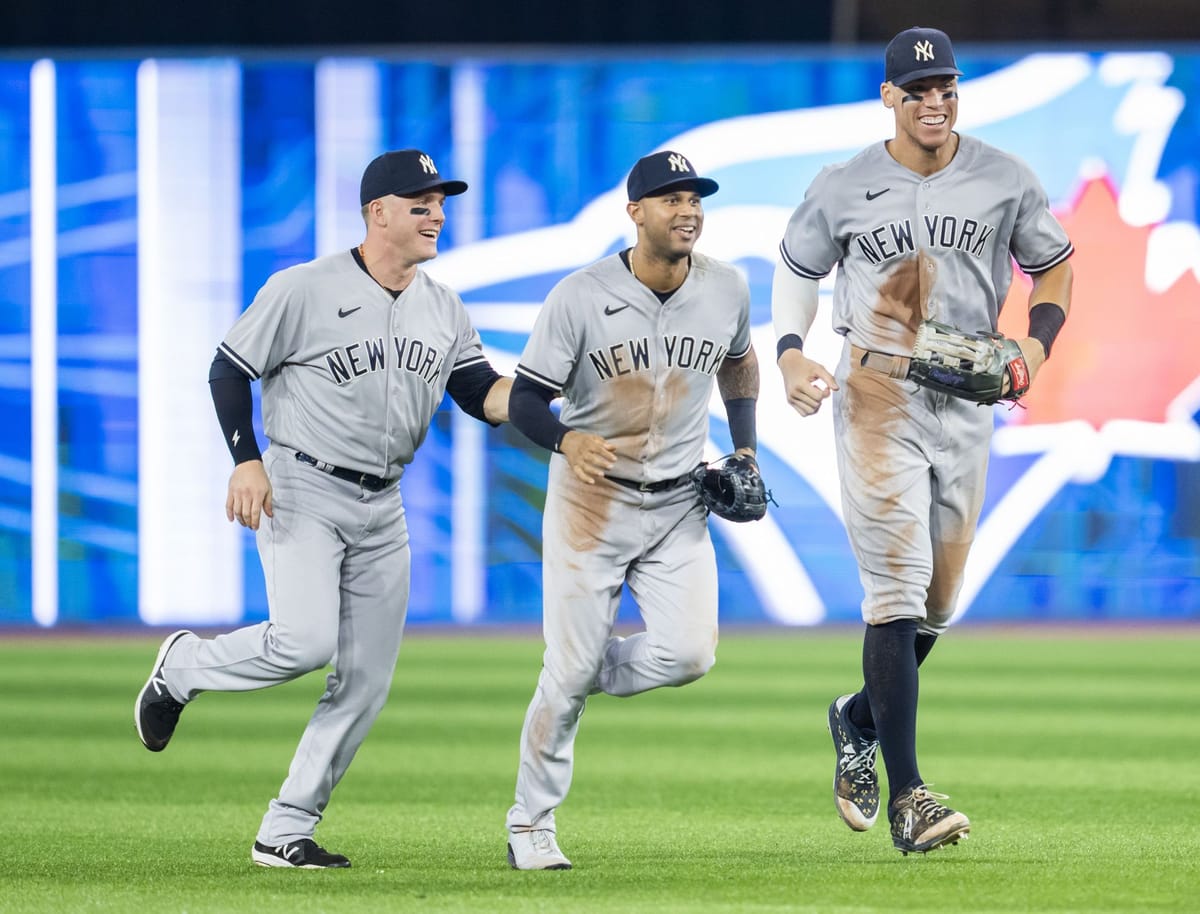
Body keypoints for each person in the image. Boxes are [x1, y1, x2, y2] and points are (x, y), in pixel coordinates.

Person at [134, 148, 512, 868]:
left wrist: (543, 403)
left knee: (366, 680)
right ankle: (181, 668)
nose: (437, 212)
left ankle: (284, 830)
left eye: (441, 201)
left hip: (384, 503)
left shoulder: (444, 305)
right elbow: (228, 367)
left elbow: (478, 393)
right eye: (420, 201)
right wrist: (246, 458)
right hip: (303, 484)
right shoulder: (304, 288)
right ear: (378, 213)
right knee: (303, 644)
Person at [772, 27, 1073, 855]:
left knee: (939, 604)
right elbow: (798, 268)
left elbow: (1053, 265)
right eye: (918, 90)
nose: (934, 101)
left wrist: (1038, 346)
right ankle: (910, 796)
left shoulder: (1004, 176)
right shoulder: (844, 185)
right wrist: (792, 353)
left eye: (945, 87)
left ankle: (856, 718)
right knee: (897, 592)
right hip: (875, 392)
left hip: (968, 398)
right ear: (889, 99)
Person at [503, 150, 761, 870]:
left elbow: (739, 361)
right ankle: (531, 823)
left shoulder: (726, 287)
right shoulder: (580, 296)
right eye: (671, 199)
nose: (688, 210)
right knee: (572, 666)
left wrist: (745, 448)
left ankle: (578, 666)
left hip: (680, 502)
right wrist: (564, 439)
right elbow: (525, 397)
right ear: (635, 213)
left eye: (695, 198)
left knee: (689, 654)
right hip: (592, 502)